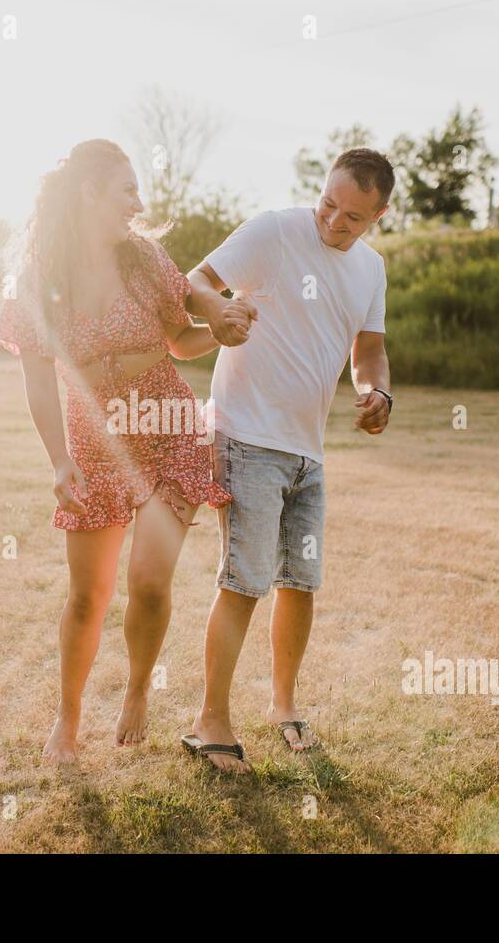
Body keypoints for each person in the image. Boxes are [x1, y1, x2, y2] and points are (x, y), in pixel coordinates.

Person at [0, 138, 239, 764]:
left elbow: (179, 338)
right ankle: (66, 721)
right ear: (89, 194)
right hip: (97, 443)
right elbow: (38, 379)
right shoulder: (39, 280)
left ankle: (136, 691)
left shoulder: (146, 261)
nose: (138, 200)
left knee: (149, 582)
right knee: (88, 596)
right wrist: (58, 459)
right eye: (126, 188)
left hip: (169, 430)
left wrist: (219, 329)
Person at [180, 148, 396, 772]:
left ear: (380, 214)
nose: (334, 222)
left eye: (353, 217)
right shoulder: (274, 230)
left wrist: (377, 389)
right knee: (244, 581)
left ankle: (284, 705)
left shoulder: (372, 270)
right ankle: (209, 722)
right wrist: (219, 312)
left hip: (308, 452)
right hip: (245, 435)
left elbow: (371, 349)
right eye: (329, 204)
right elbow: (192, 283)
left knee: (300, 586)